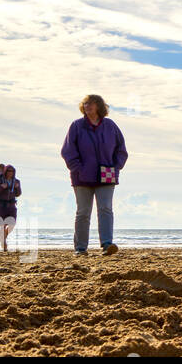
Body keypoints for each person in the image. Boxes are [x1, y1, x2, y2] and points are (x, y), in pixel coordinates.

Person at [60, 94, 128, 256]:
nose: (87, 106)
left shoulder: (110, 125)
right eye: (85, 103)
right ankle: (80, 248)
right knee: (83, 212)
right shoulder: (76, 126)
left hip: (107, 175)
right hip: (81, 177)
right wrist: (78, 168)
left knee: (105, 209)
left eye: (91, 103)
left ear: (99, 106)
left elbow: (121, 150)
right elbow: (67, 151)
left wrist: (116, 167)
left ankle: (106, 244)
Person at [0, 164, 21, 251]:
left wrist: (17, 188)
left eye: (12, 171)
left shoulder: (17, 181)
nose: (10, 173)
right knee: (2, 225)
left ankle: (3, 238)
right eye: (8, 171)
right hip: (1, 205)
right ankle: (4, 244)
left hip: (11, 205)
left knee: (12, 224)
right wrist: (1, 188)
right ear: (5, 171)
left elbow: (18, 194)